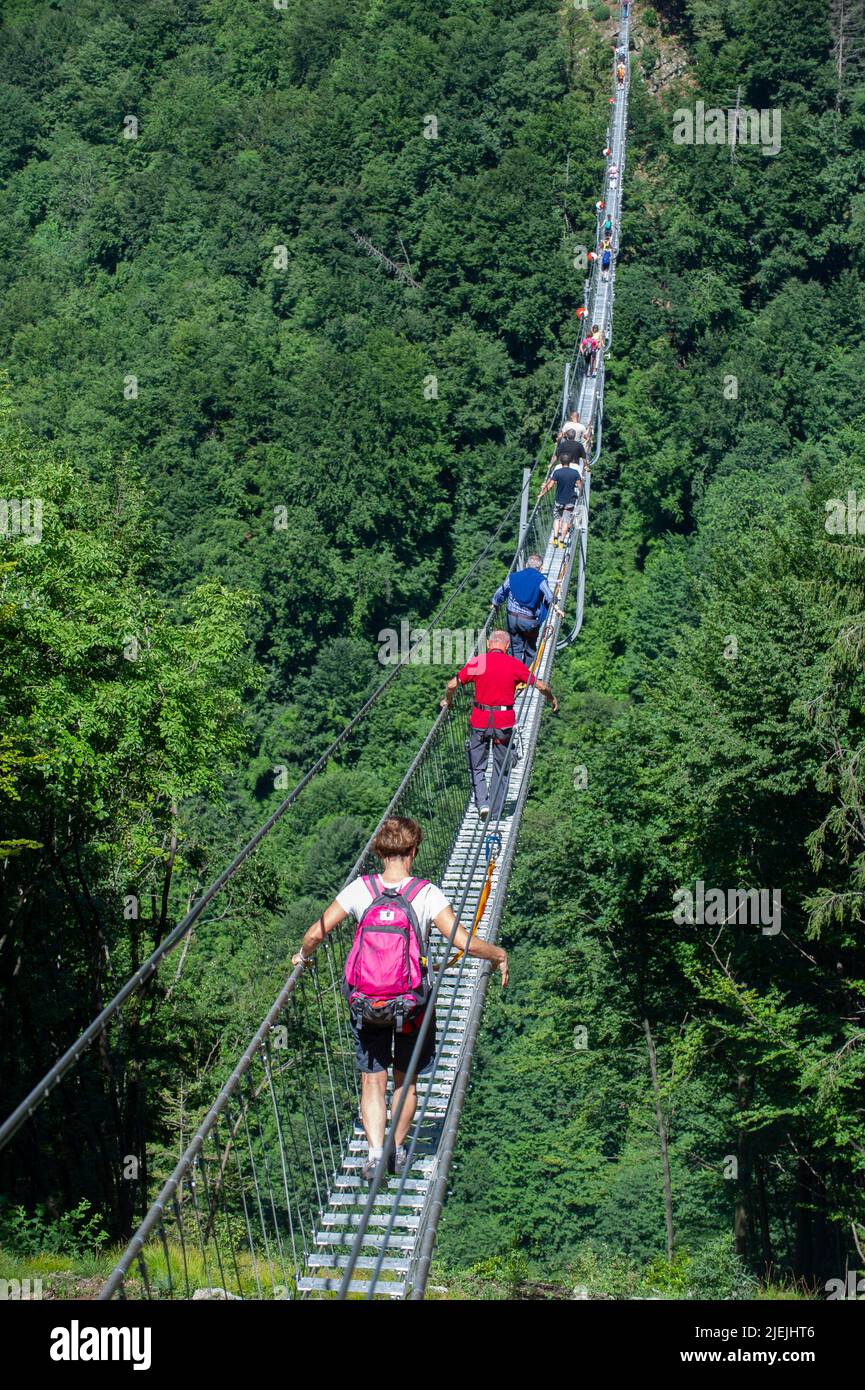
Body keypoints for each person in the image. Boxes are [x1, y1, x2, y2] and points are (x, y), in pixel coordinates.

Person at [292, 816, 508, 1183]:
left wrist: (304, 956)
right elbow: (464, 944)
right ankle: (397, 1147)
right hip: (411, 1006)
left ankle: (375, 1155)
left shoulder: (360, 890)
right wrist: (498, 954)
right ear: (413, 851)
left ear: (380, 852)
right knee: (405, 1081)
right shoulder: (426, 894)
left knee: (371, 1080)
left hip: (367, 1004)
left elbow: (315, 933)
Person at [441, 630, 558, 822]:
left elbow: (452, 685)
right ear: (507, 647)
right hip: (503, 724)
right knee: (501, 767)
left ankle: (483, 803)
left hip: (480, 721)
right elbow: (542, 686)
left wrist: (448, 701)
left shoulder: (479, 662)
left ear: (488, 644)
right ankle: (494, 813)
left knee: (477, 767)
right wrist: (552, 699)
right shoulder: (514, 665)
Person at [491, 553, 564, 664]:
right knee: (530, 649)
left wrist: (495, 603)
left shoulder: (513, 577)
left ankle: (515, 672)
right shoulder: (540, 580)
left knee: (514, 647)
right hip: (529, 622)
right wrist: (557, 608)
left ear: (526, 565)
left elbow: (500, 592)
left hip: (512, 619)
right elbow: (549, 596)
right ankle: (525, 674)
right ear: (541, 568)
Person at [540, 455, 587, 549]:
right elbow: (579, 486)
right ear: (570, 462)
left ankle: (555, 539)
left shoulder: (557, 472)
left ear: (561, 462)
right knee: (566, 521)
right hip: (570, 501)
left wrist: (542, 494)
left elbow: (550, 486)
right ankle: (562, 542)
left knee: (557, 519)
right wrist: (581, 492)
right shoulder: (575, 472)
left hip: (559, 500)